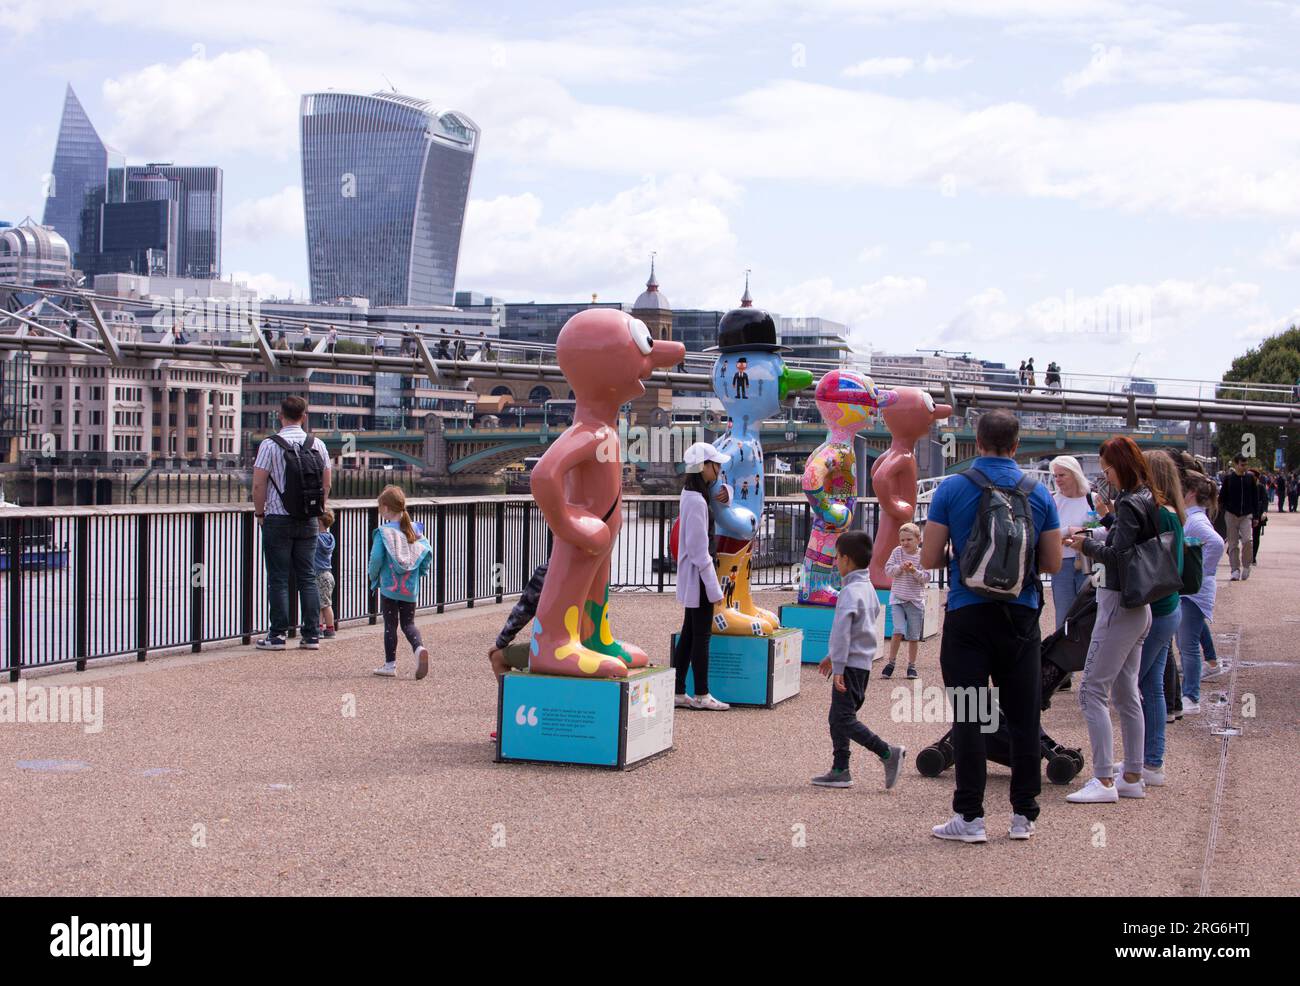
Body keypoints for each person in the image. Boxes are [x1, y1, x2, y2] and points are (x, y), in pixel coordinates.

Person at [921, 409, 1062, 842]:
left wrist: (964, 560)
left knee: (969, 716)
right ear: (1016, 446)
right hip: (1020, 617)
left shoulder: (952, 488)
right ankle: (1024, 816)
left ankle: (970, 818)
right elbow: (1053, 563)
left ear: (976, 442)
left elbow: (927, 559)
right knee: (1022, 718)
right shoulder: (1038, 494)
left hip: (967, 616)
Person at [1063, 436, 1160, 804]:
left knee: (1091, 692)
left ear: (1118, 466)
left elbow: (1117, 555)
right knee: (1126, 693)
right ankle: (1132, 774)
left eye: (1106, 468)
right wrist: (1098, 532)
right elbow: (1125, 542)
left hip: (1117, 604)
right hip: (1139, 607)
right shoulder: (1148, 497)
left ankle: (1103, 779)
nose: (1104, 475)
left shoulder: (1130, 503)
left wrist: (1083, 545)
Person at [813, 530, 906, 789]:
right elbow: (864, 625)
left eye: (837, 558)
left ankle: (888, 752)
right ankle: (840, 768)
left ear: (847, 560)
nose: (835, 562)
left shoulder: (849, 592)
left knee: (843, 718)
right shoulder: (868, 589)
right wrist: (834, 656)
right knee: (838, 717)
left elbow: (843, 631)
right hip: (860, 664)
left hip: (850, 666)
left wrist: (839, 664)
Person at [252, 396, 332, 650]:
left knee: (278, 578)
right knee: (307, 577)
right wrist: (316, 510)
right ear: (304, 416)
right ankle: (311, 635)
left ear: (280, 415)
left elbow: (258, 483)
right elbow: (326, 483)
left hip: (277, 518)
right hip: (308, 520)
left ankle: (277, 635)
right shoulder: (317, 444)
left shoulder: (269, 445)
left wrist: (259, 514)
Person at [1134, 451, 1186, 787]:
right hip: (1170, 606)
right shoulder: (1173, 514)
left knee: (1133, 685)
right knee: (1151, 686)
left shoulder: (1157, 513)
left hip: (1156, 608)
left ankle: (1142, 763)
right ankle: (1151, 762)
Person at [673, 442, 731, 711]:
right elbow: (699, 550)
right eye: (715, 464)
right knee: (701, 635)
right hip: (700, 577)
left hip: (693, 576)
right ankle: (702, 693)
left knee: (689, 633)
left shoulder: (691, 494)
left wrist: (727, 493)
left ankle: (678, 690)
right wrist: (714, 588)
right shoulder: (697, 500)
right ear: (704, 467)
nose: (718, 469)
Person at [368, 485, 432, 679]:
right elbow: (426, 553)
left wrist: (373, 577)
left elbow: (376, 559)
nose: (379, 510)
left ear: (386, 508)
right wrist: (421, 572)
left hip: (390, 587)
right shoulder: (415, 530)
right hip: (410, 588)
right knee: (408, 624)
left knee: (390, 625)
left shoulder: (383, 532)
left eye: (380, 506)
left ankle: (390, 665)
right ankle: (418, 648)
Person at [1178, 472, 1224, 714]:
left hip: (1195, 591)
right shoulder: (1194, 517)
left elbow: (1216, 544)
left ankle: (1191, 696)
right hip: (1194, 590)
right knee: (1191, 635)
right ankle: (1209, 665)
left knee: (1187, 644)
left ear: (1191, 494)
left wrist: (1201, 571)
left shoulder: (1195, 520)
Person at [1049, 455, 1094, 632]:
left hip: (1088, 562)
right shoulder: (1053, 501)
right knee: (1064, 615)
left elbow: (1106, 530)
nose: (1058, 480)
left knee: (1087, 614)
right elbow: (1047, 535)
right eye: (1055, 476)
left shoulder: (1092, 499)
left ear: (1075, 474)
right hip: (1063, 564)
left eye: (1062, 475)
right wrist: (1069, 530)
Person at [881, 522, 927, 680]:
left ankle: (911, 666)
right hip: (898, 599)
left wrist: (913, 570)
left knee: (913, 636)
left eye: (909, 539)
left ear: (918, 539)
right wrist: (900, 568)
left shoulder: (923, 555)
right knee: (898, 630)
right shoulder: (897, 552)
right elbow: (888, 570)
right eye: (902, 540)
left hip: (915, 601)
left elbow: (925, 578)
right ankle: (891, 662)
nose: (905, 543)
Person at [1220, 455, 1257, 580]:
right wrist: (1224, 510)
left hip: (1246, 514)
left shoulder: (1250, 479)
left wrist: (1256, 515)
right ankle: (1235, 570)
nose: (1244, 467)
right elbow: (1222, 497)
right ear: (1236, 464)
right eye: (1242, 464)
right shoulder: (1228, 479)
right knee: (1233, 543)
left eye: (1246, 464)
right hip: (1231, 514)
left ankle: (1246, 565)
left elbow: (1255, 498)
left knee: (1247, 540)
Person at [316, 508, 337, 639]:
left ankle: (327, 629)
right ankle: (323, 627)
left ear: (318, 522)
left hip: (319, 574)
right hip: (328, 574)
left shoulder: (316, 539)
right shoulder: (330, 537)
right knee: (323, 603)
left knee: (323, 605)